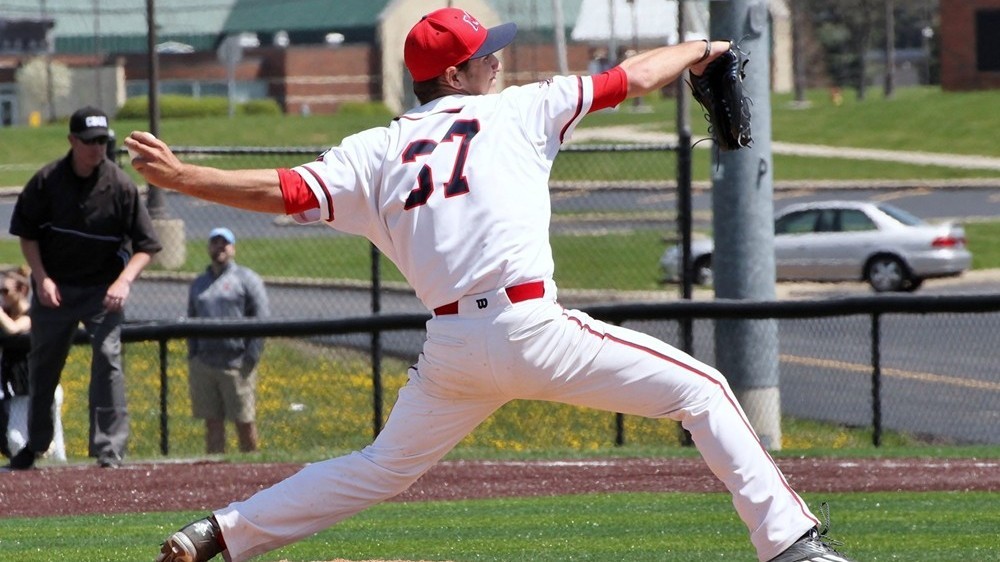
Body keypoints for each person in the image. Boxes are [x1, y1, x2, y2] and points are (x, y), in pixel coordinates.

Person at [127, 8, 855, 562]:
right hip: (531, 328)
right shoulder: (519, 110)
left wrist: (186, 177)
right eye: (483, 54)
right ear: (452, 75)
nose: (497, 59)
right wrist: (704, 47)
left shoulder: (372, 150)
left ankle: (219, 532)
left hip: (452, 347)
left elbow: (279, 190)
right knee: (704, 391)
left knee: (381, 468)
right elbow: (632, 77)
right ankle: (791, 547)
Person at [7, 106, 162, 470]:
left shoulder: (120, 186)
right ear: (72, 141)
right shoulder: (47, 181)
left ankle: (109, 449)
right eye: (90, 142)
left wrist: (124, 282)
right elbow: (27, 235)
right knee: (43, 367)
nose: (98, 148)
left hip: (101, 292)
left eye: (103, 141)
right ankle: (37, 444)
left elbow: (147, 247)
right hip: (55, 290)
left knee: (108, 360)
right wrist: (41, 278)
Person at [187, 227, 269, 454]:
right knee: (212, 425)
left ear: (233, 248)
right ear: (209, 247)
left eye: (225, 243)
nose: (219, 247)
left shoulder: (247, 279)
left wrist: (250, 357)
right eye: (215, 243)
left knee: (244, 422)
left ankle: (253, 468)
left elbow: (261, 320)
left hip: (236, 365)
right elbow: (191, 319)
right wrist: (193, 355)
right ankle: (215, 473)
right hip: (204, 364)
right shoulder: (199, 283)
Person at [0, 267, 66, 463]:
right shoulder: (6, 315)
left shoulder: (33, 314)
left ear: (22, 290)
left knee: (44, 443)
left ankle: (57, 474)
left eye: (5, 291)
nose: (1, 296)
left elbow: (14, 329)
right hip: (19, 389)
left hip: (41, 386)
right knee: (16, 440)